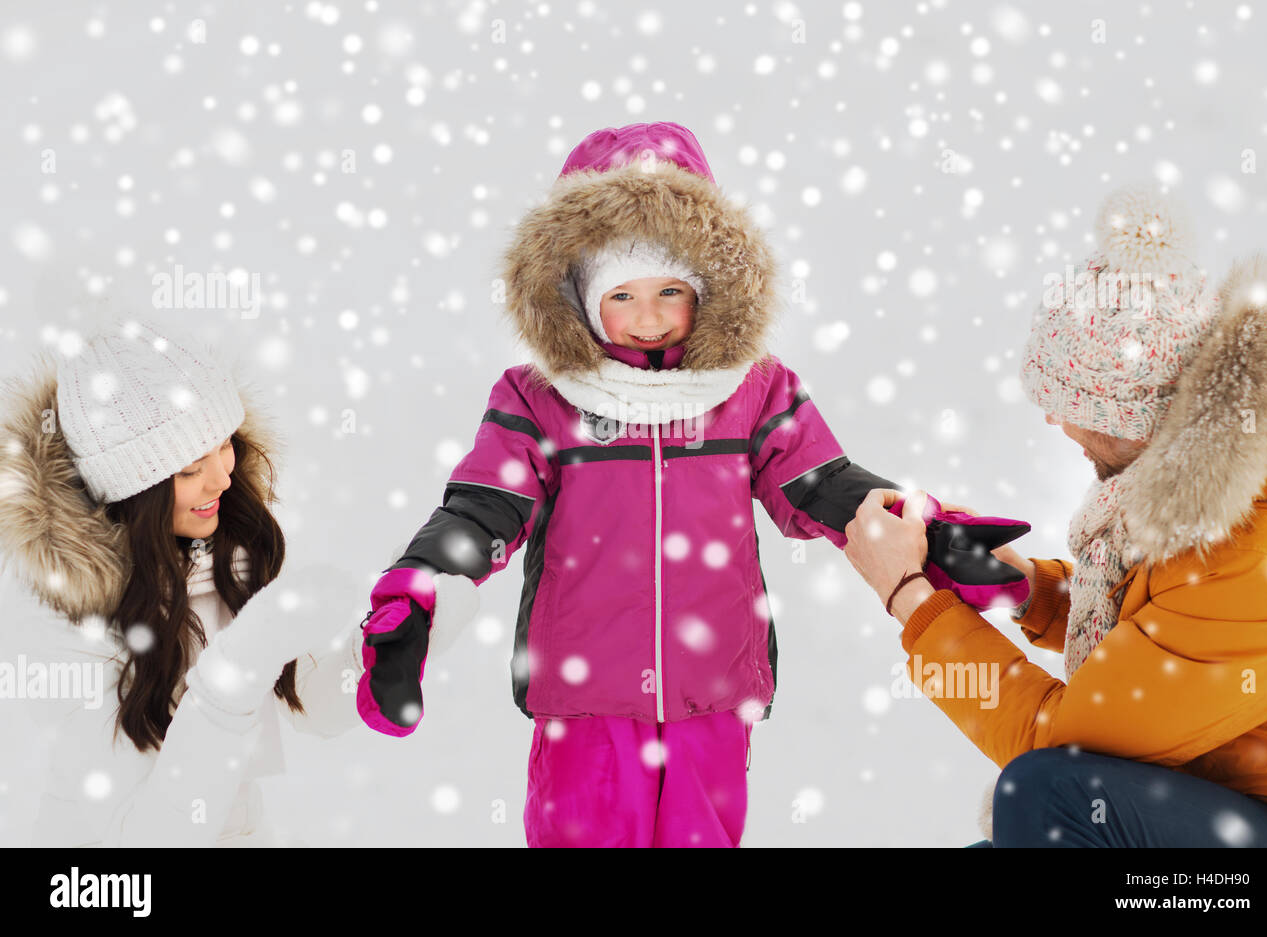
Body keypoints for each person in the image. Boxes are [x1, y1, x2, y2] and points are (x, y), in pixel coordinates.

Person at [353, 121, 925, 848]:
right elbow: (484, 505)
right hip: (587, 705)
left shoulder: (750, 389)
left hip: (711, 698)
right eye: (621, 294)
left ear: (708, 287)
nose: (648, 318)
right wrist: (419, 594)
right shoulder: (543, 397)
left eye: (670, 290)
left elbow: (822, 484)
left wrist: (924, 532)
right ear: (581, 295)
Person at [844, 184, 1267, 847]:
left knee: (1042, 796)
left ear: (1139, 418)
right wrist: (1028, 589)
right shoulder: (1212, 493)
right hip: (1225, 810)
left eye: (1075, 405)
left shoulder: (1256, 553)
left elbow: (1057, 744)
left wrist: (910, 600)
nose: (1056, 421)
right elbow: (1159, 640)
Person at [0, 316, 369, 846]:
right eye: (191, 465)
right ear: (135, 490)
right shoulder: (66, 619)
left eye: (224, 444)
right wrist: (234, 673)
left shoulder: (224, 556)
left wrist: (385, 649)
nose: (222, 476)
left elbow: (308, 700)